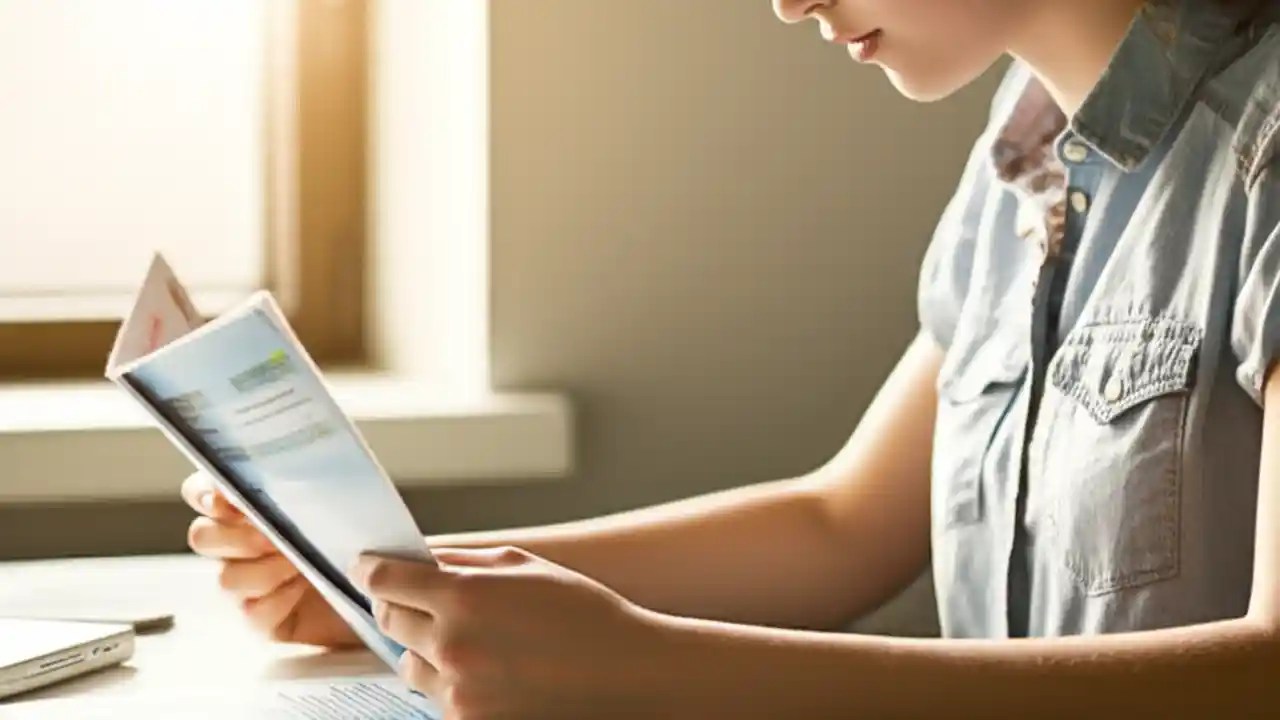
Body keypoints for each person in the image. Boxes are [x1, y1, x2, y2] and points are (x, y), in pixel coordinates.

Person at [184, 0, 1280, 716]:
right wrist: (391, 583)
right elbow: (839, 526)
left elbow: (1264, 669)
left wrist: (652, 670)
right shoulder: (1024, 154)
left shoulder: (1261, 160)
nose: (788, 0)